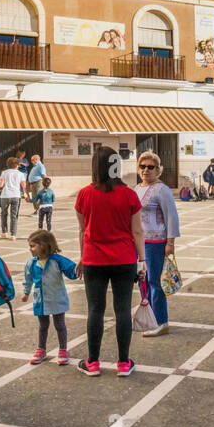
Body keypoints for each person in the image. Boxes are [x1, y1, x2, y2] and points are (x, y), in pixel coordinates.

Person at [74, 145, 144, 376]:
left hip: (94, 259)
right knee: (123, 309)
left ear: (96, 167)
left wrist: (82, 258)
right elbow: (137, 232)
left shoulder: (85, 194)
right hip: (124, 259)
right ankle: (124, 363)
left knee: (95, 310)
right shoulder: (129, 194)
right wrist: (142, 262)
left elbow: (82, 230)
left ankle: (92, 363)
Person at [136, 150, 180, 338]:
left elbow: (171, 216)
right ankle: (150, 318)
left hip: (156, 242)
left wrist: (170, 242)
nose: (146, 170)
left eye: (150, 167)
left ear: (158, 170)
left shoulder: (162, 190)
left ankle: (161, 321)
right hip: (138, 242)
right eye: (143, 166)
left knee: (155, 281)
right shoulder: (136, 188)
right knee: (142, 281)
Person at [22, 230, 77, 366]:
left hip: (57, 297)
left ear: (44, 245)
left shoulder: (57, 260)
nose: (30, 249)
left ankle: (63, 350)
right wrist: (26, 292)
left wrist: (80, 270)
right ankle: (41, 349)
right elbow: (28, 279)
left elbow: (72, 270)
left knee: (60, 324)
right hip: (39, 299)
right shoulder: (31, 263)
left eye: (33, 246)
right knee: (43, 325)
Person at [0, 156, 28, 239]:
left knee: (4, 214)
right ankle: (13, 234)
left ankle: (4, 232)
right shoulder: (20, 174)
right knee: (14, 215)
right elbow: (24, 186)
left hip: (5, 195)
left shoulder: (4, 173)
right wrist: (26, 195)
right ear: (17, 165)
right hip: (16, 195)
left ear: (8, 164)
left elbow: (0, 185)